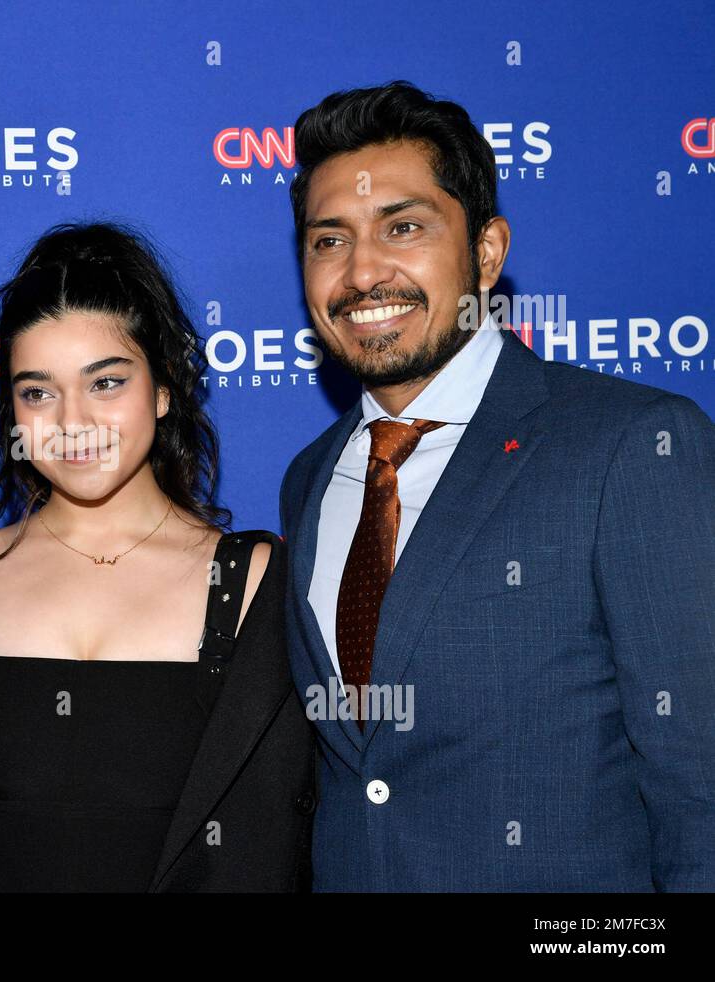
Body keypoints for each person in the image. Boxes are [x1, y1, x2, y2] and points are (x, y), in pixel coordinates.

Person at [280, 81, 715, 891]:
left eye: (403, 228)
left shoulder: (633, 446)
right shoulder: (310, 477)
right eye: (328, 241)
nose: (363, 272)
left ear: (486, 251)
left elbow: (702, 786)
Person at [0, 223, 315, 892]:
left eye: (107, 383)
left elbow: (269, 844)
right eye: (37, 392)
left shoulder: (253, 581)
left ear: (165, 388)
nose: (72, 420)